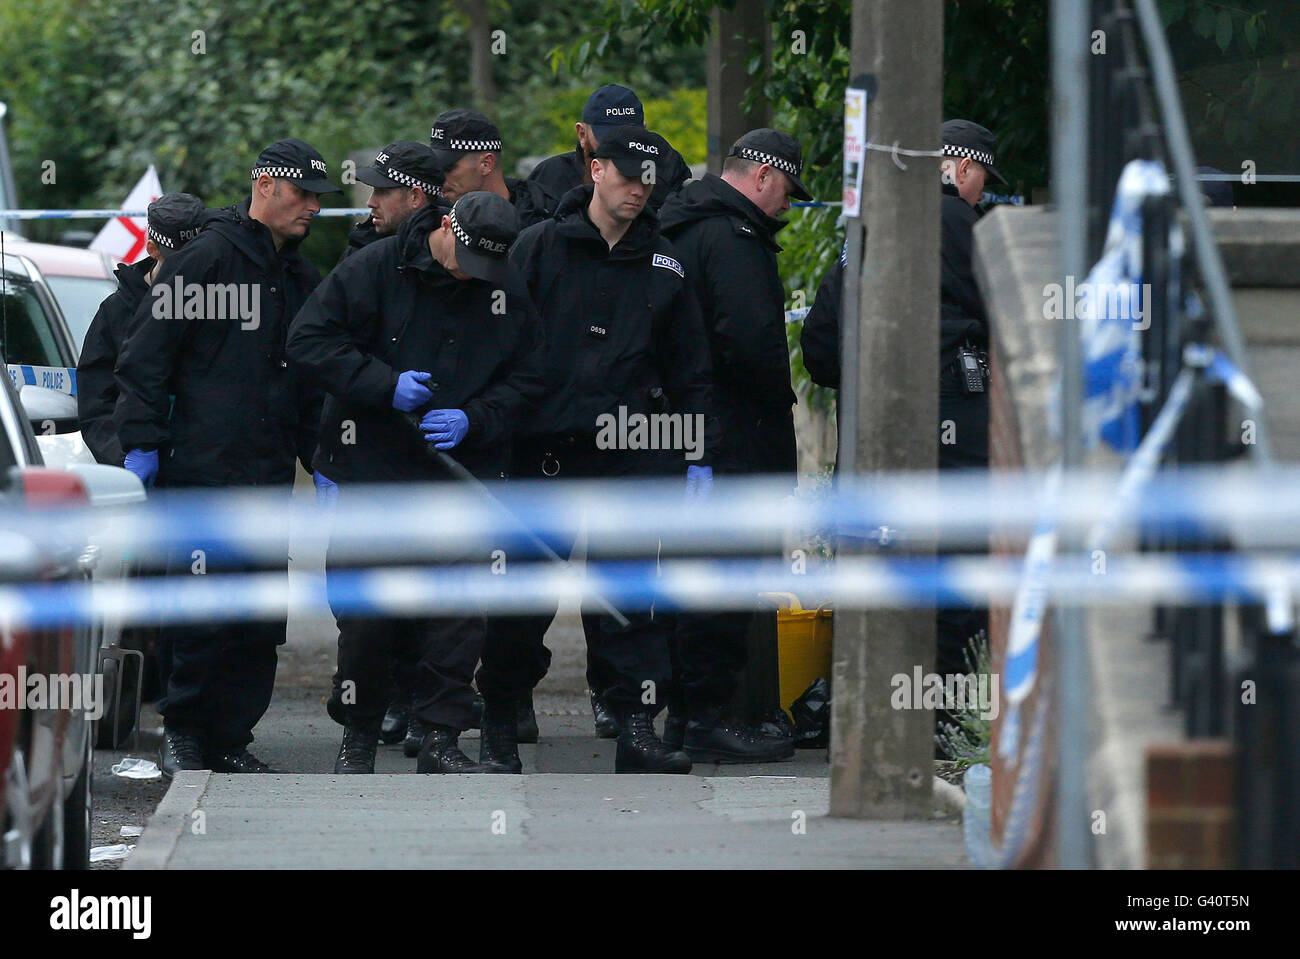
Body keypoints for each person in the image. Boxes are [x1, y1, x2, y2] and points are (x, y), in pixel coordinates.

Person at [476, 125, 715, 775]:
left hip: (633, 458)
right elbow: (494, 344)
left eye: (650, 181)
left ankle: (637, 729)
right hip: (543, 455)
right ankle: (499, 719)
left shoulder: (664, 263)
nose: (640, 190)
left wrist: (696, 452)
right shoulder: (537, 249)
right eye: (629, 175)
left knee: (630, 604)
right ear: (597, 169)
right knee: (521, 604)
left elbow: (690, 368)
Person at [288, 191, 548, 774]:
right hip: (374, 471)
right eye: (467, 260)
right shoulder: (375, 268)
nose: (473, 277)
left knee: (458, 616)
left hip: (461, 475)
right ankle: (358, 734)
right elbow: (308, 341)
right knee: (366, 618)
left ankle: (440, 737)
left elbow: (532, 376)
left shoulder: (502, 283)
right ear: (447, 229)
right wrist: (383, 385)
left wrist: (475, 419)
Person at [114, 138, 339, 777]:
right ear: (264, 184)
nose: (314, 208)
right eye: (303, 194)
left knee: (259, 613)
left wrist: (320, 454)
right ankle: (184, 732)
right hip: (200, 468)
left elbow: (308, 378)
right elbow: (144, 358)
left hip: (266, 471)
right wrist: (142, 442)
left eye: (321, 197)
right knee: (201, 610)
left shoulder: (295, 275)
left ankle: (231, 735)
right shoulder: (203, 260)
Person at [657, 128, 809, 762]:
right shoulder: (735, 239)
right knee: (726, 580)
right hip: (735, 435)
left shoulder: (681, 224)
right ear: (763, 178)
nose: (786, 208)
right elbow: (752, 346)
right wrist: (779, 409)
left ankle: (682, 716)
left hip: (684, 432)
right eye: (786, 194)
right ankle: (710, 720)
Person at [935, 118, 1004, 744]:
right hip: (959, 407)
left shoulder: (872, 223)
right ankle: (957, 719)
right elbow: (1000, 307)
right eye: (981, 175)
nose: (982, 191)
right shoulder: (959, 222)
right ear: (960, 166)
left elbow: (823, 340)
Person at [78, 193, 208, 466]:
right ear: (153, 249)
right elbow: (96, 397)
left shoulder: (223, 301)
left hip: (210, 471)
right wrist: (124, 454)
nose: (190, 269)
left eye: (199, 258)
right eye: (181, 259)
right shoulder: (116, 312)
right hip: (148, 475)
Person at [527, 84, 689, 212]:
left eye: (628, 139)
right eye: (607, 139)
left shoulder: (664, 173)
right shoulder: (551, 176)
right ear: (582, 134)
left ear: (644, 132)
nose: (618, 149)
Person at [429, 108, 556, 227]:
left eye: (448, 169)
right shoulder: (431, 220)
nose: (440, 179)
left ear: (486, 164)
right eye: (436, 169)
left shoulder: (542, 219)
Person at [337, 141, 445, 263]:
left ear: (415, 197)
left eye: (382, 192)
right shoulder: (359, 250)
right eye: (374, 190)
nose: (370, 202)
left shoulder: (451, 257)